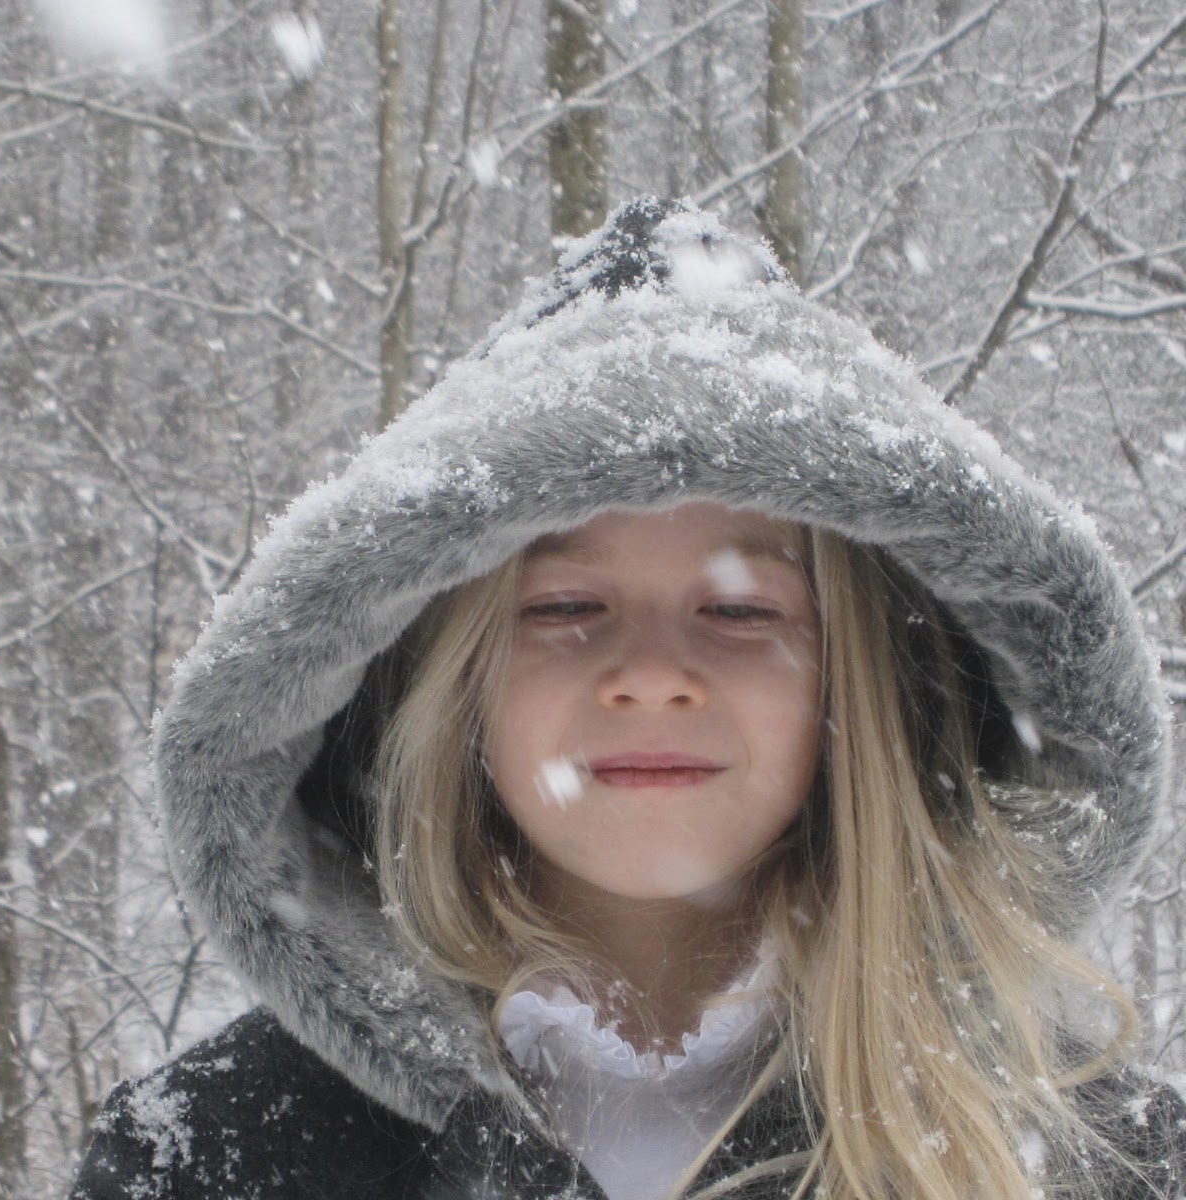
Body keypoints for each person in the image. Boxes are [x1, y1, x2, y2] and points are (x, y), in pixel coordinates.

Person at [67, 197, 1186, 1199]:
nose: (652, 672)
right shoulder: (216, 1158)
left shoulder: (1105, 1160)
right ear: (456, 685)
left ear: (861, 690)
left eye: (741, 611)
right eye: (563, 607)